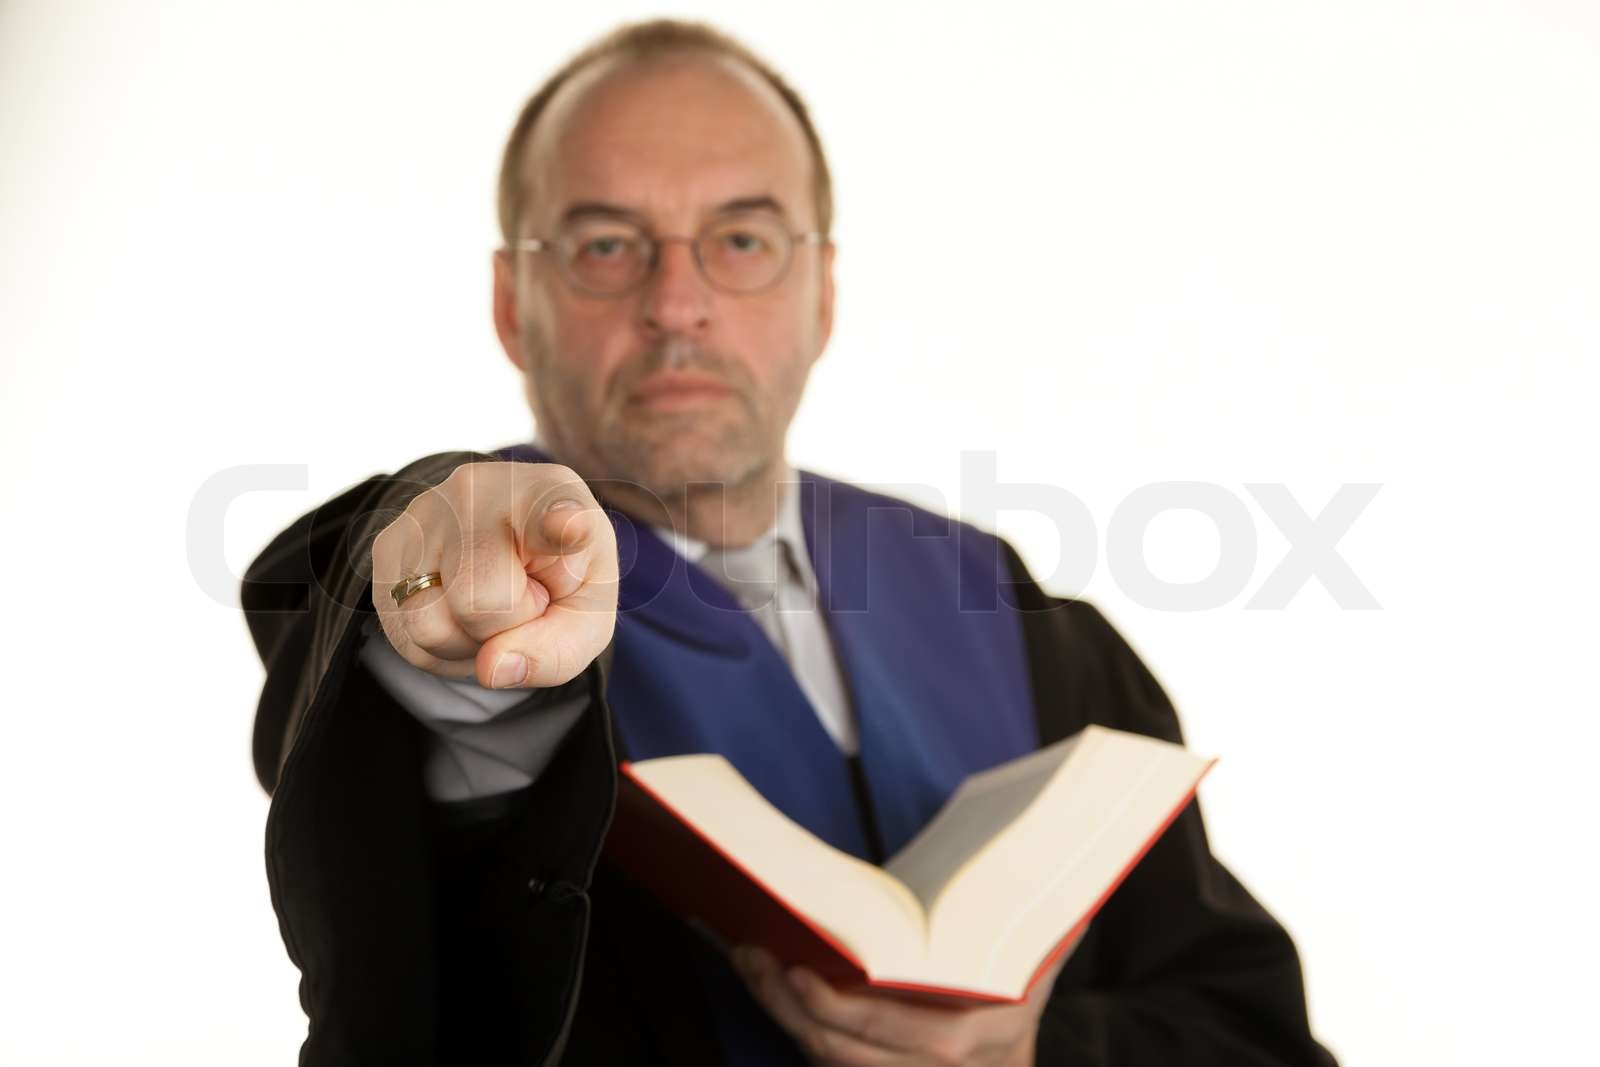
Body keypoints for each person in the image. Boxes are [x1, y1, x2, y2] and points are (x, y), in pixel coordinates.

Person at [243, 18, 1337, 1067]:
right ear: (510, 304)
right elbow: (402, 960)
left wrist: (1038, 1051)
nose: (678, 303)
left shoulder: (1000, 604)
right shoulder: (479, 594)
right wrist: (422, 589)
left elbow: (1249, 1033)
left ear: (821, 291)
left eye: (742, 239)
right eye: (605, 244)